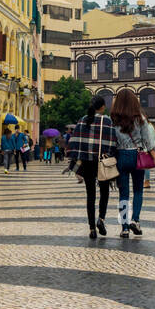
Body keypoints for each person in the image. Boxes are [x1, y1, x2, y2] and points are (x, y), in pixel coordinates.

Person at [68, 96, 118, 239]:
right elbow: (113, 141)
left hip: (87, 162)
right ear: (102, 107)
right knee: (104, 191)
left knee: (90, 195)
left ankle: (91, 228)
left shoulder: (83, 119)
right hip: (102, 162)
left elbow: (76, 141)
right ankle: (101, 219)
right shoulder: (107, 121)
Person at [111, 89, 155, 238]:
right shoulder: (140, 118)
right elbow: (147, 141)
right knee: (138, 190)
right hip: (137, 156)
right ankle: (135, 220)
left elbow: (112, 141)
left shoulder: (113, 119)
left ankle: (124, 227)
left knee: (123, 194)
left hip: (121, 156)